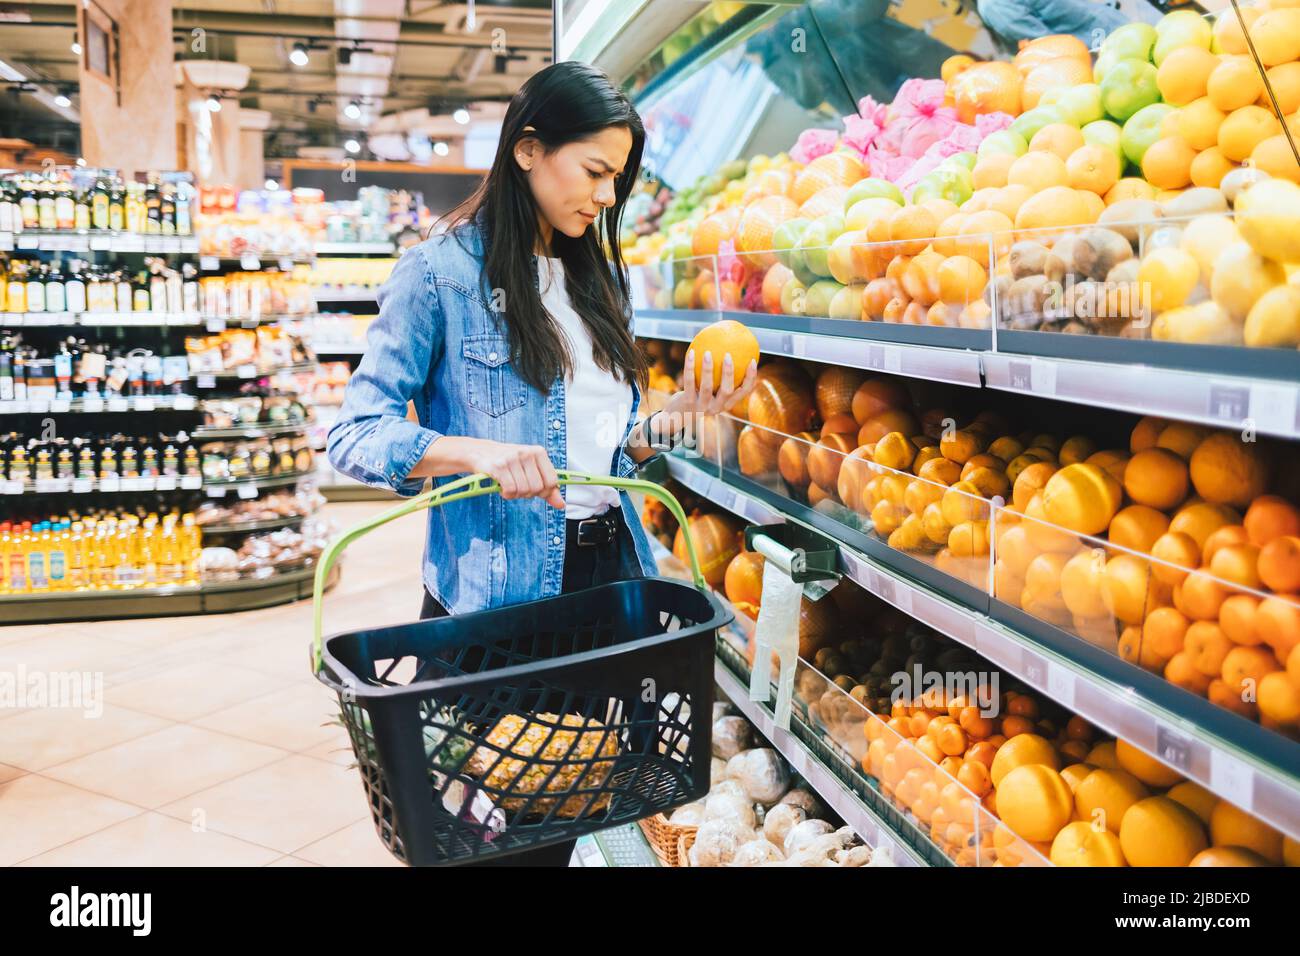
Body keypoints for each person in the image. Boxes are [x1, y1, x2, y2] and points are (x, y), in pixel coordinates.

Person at [326, 60, 758, 866]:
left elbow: (613, 448)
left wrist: (686, 419)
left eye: (617, 180)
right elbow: (354, 432)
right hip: (499, 605)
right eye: (594, 171)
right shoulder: (438, 274)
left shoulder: (595, 278)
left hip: (605, 599)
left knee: (560, 825)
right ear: (528, 149)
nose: (603, 197)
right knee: (491, 842)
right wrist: (476, 454)